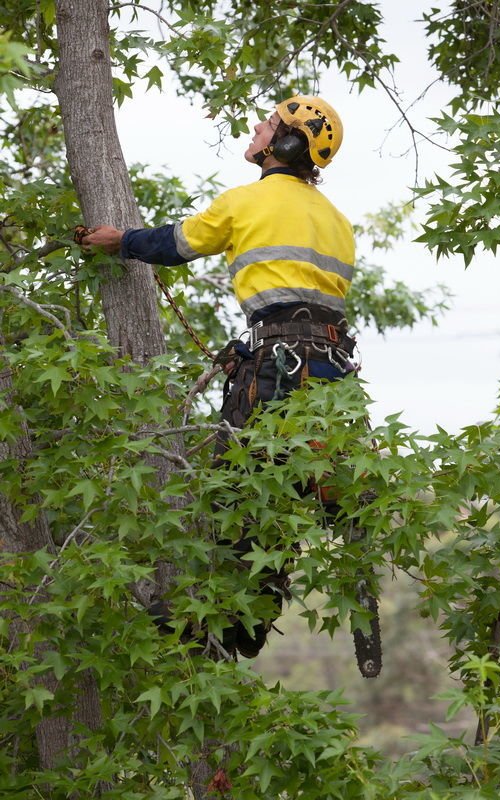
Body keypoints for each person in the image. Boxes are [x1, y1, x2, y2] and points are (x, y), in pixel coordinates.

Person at [82, 96, 357, 658]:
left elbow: (177, 244)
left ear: (286, 144)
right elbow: (302, 304)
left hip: (278, 367)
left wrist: (121, 241)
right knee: (283, 490)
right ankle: (252, 617)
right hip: (329, 371)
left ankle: (211, 615)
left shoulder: (246, 200)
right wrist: (248, 348)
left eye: (269, 124)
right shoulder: (337, 220)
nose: (257, 127)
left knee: (236, 486)